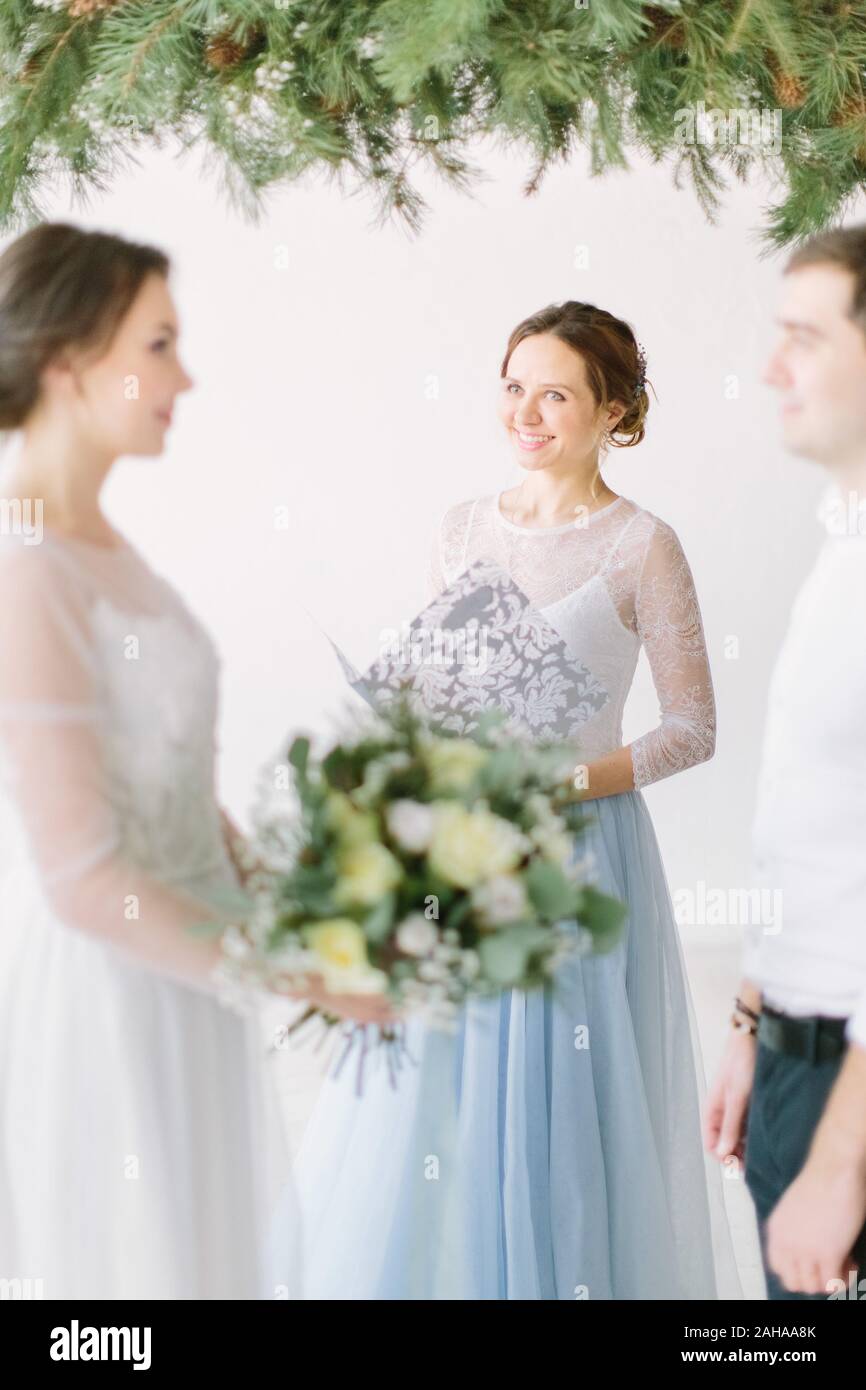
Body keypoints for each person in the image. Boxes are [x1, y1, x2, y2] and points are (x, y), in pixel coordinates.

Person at [271, 300, 743, 1299]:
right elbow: (430, 698)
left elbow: (693, 727)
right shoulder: (457, 529)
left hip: (577, 856)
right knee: (438, 1087)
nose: (524, 412)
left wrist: (558, 784)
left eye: (554, 393)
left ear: (613, 409)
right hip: (459, 851)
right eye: (511, 386)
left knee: (557, 1104)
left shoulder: (642, 545)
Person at [0, 221, 387, 1299]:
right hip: (107, 995)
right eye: (159, 344)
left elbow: (175, 785)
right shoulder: (28, 571)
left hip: (190, 977)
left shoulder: (104, 545)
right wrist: (300, 973)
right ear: (71, 361)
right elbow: (82, 877)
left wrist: (299, 905)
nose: (188, 375)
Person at [705, 225, 866, 1301]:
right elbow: (811, 826)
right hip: (791, 1065)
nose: (769, 367)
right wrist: (750, 1025)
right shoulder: (838, 543)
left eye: (800, 337)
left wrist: (841, 1158)